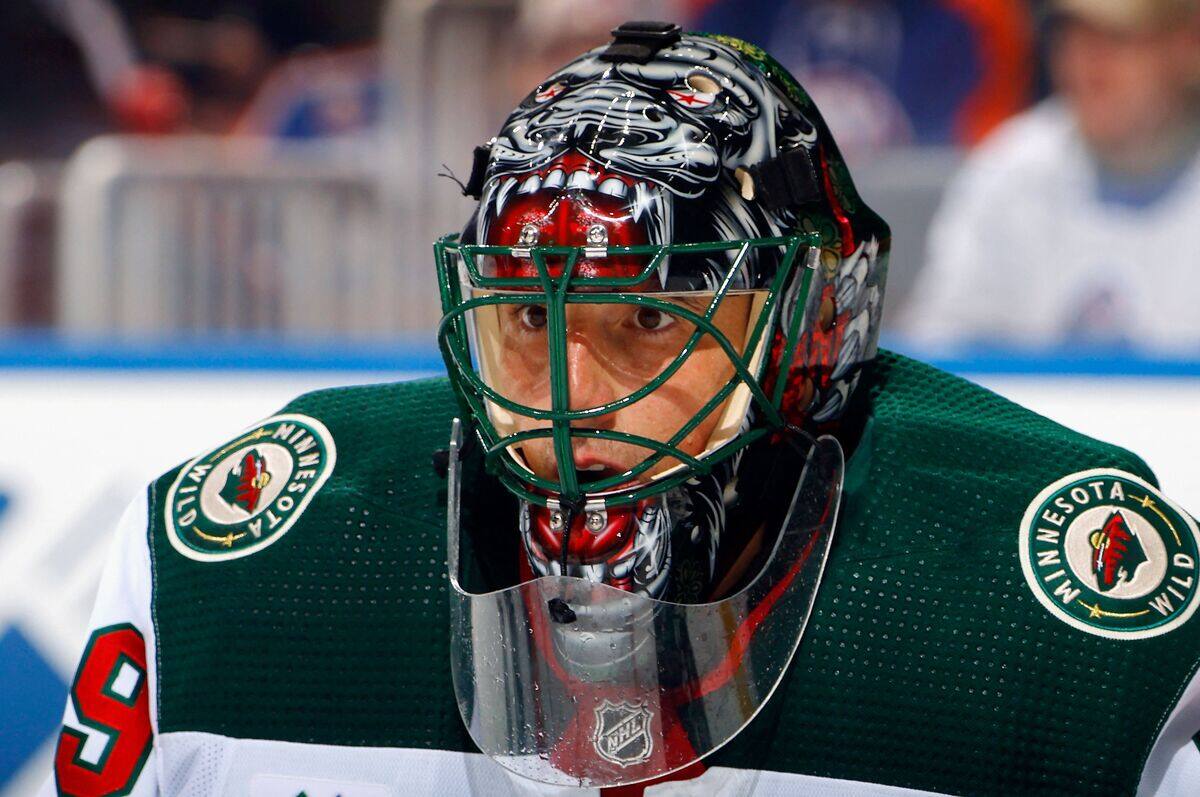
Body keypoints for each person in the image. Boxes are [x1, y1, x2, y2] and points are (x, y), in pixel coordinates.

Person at [40, 22, 1200, 797]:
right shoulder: (233, 571)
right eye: (529, 321)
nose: (569, 400)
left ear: (814, 338)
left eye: (652, 321)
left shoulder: (1061, 622)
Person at [899, 0, 1200, 352]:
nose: (1089, 65)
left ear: (1186, 45)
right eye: (1072, 37)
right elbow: (939, 351)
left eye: (1117, 40)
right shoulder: (1008, 168)